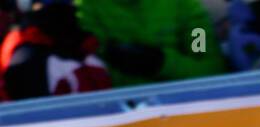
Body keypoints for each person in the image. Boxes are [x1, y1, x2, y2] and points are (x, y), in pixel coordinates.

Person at [74, 0, 224, 86]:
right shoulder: (85, 11)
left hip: (184, 109)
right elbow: (91, 80)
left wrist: (162, 63)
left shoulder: (187, 7)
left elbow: (209, 68)